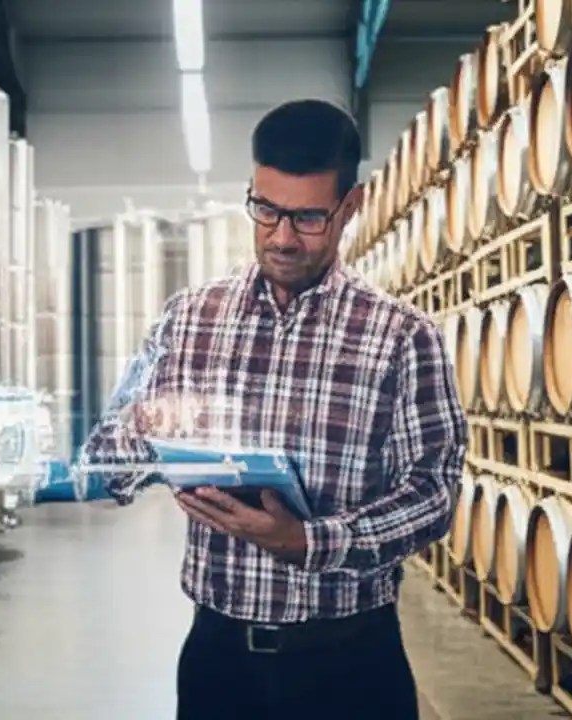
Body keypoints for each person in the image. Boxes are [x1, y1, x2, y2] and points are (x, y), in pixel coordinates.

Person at [77, 98, 468, 720]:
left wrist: (309, 541)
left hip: (350, 664)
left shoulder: (401, 336)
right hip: (219, 662)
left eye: (309, 217)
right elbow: (103, 468)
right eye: (266, 210)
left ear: (351, 207)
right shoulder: (191, 317)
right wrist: (145, 425)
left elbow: (434, 493)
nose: (282, 237)